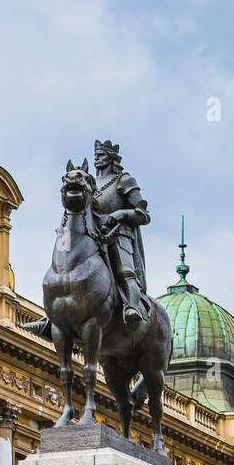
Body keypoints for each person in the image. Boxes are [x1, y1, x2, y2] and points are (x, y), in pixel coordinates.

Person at [91, 139, 151, 330]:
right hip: (92, 236)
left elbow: (143, 214)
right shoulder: (90, 183)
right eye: (96, 156)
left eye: (100, 156)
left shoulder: (124, 180)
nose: (96, 159)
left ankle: (133, 307)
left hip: (119, 236)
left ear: (111, 158)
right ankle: (53, 318)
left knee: (124, 273)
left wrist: (122, 213)